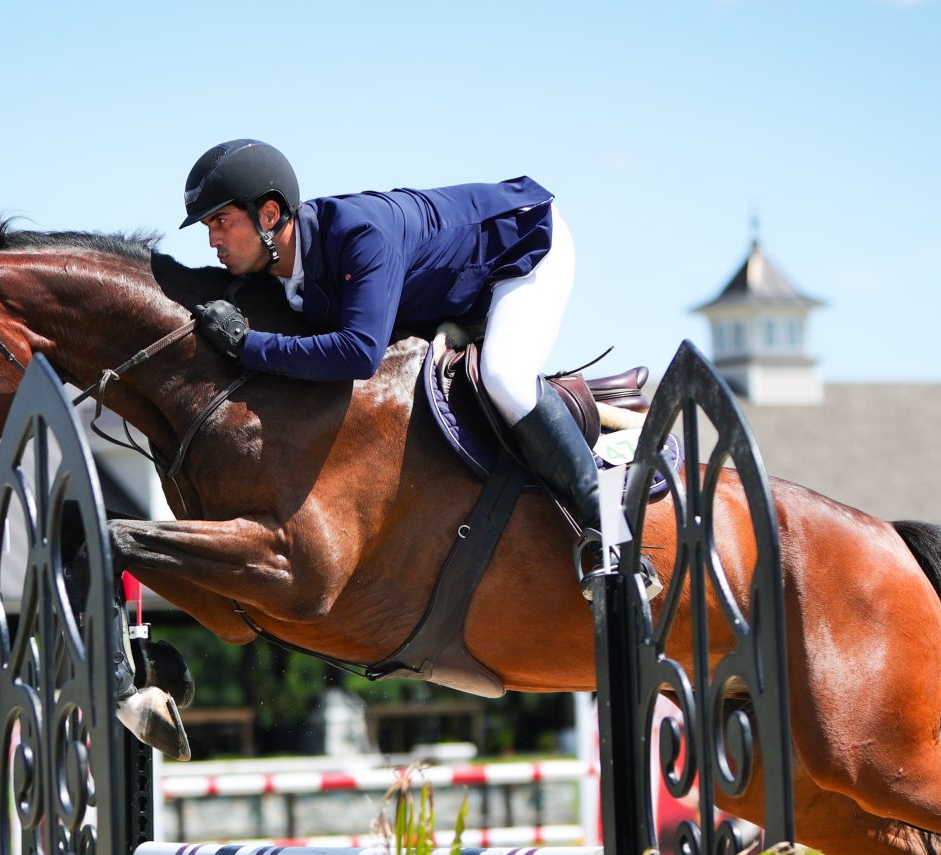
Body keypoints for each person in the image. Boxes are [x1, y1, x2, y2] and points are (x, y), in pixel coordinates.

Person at [181, 139, 641, 596]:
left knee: (505, 377)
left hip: (522, 244)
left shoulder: (358, 235)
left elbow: (359, 353)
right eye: (208, 226)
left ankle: (612, 534)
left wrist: (248, 346)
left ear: (268, 215)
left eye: (222, 221)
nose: (213, 240)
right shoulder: (280, 269)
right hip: (453, 285)